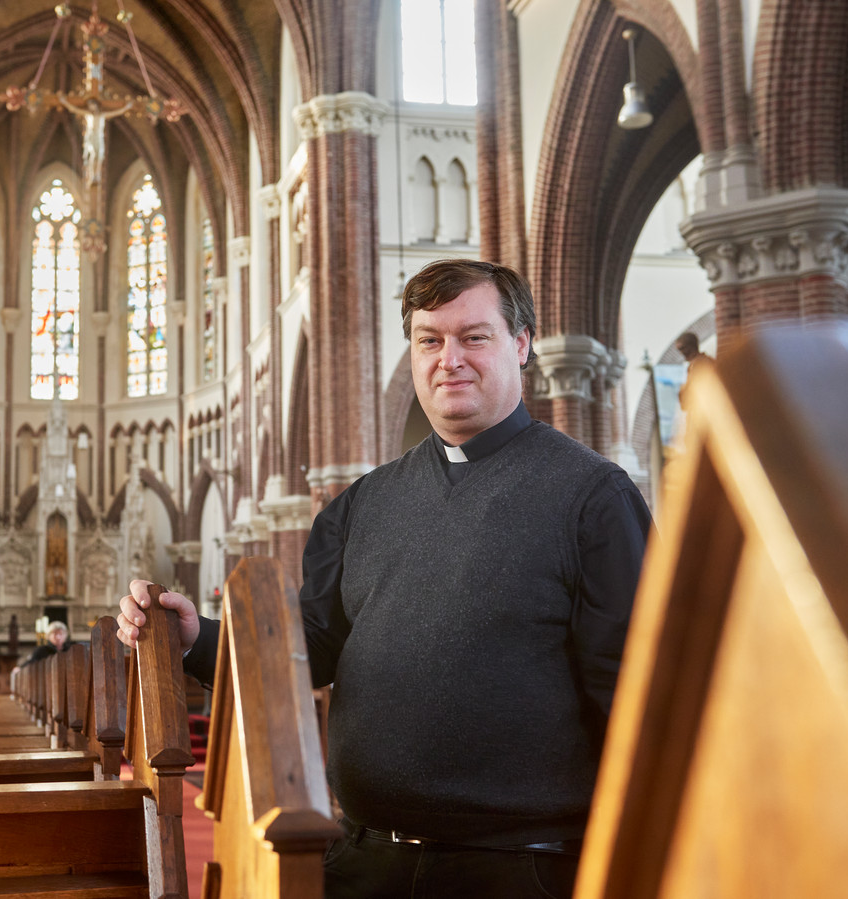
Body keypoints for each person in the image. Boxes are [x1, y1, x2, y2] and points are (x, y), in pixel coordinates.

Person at [117, 259, 651, 899]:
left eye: (473, 337)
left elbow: (634, 697)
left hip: (522, 868)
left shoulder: (593, 498)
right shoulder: (360, 506)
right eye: (429, 340)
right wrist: (194, 638)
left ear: (522, 343)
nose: (448, 359)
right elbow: (310, 646)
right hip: (363, 861)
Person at [674, 331, 713, 410]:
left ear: (691, 346)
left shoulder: (703, 363)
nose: (681, 353)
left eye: (682, 348)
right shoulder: (692, 366)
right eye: (679, 350)